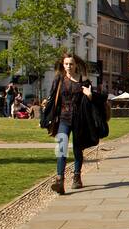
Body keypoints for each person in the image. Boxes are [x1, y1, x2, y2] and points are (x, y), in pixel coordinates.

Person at [40, 52, 107, 194]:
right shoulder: (59, 80)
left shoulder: (83, 81)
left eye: (71, 64)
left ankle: (77, 177)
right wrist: (45, 117)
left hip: (79, 120)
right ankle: (60, 180)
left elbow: (96, 100)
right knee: (61, 148)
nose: (68, 66)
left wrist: (90, 96)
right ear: (63, 65)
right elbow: (52, 99)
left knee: (78, 149)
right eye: (66, 64)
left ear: (76, 65)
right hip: (63, 119)